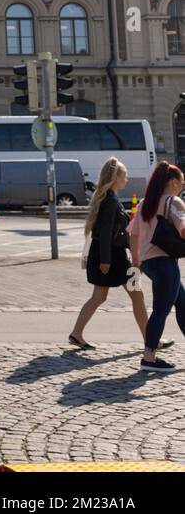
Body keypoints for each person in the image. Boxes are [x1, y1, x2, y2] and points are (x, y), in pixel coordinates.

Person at [68, 158, 156, 351]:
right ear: (116, 177)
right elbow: (106, 231)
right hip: (113, 258)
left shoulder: (109, 198)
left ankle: (76, 334)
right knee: (136, 295)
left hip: (112, 256)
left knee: (100, 297)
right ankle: (151, 340)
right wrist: (106, 261)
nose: (127, 179)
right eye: (124, 175)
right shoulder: (110, 200)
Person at [130, 162, 185, 372]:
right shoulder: (174, 202)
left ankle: (149, 356)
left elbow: (133, 234)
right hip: (165, 263)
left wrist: (136, 263)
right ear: (172, 182)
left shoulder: (145, 203)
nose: (182, 186)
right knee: (161, 310)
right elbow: (183, 229)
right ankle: (149, 358)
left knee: (182, 303)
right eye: (181, 182)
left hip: (149, 263)